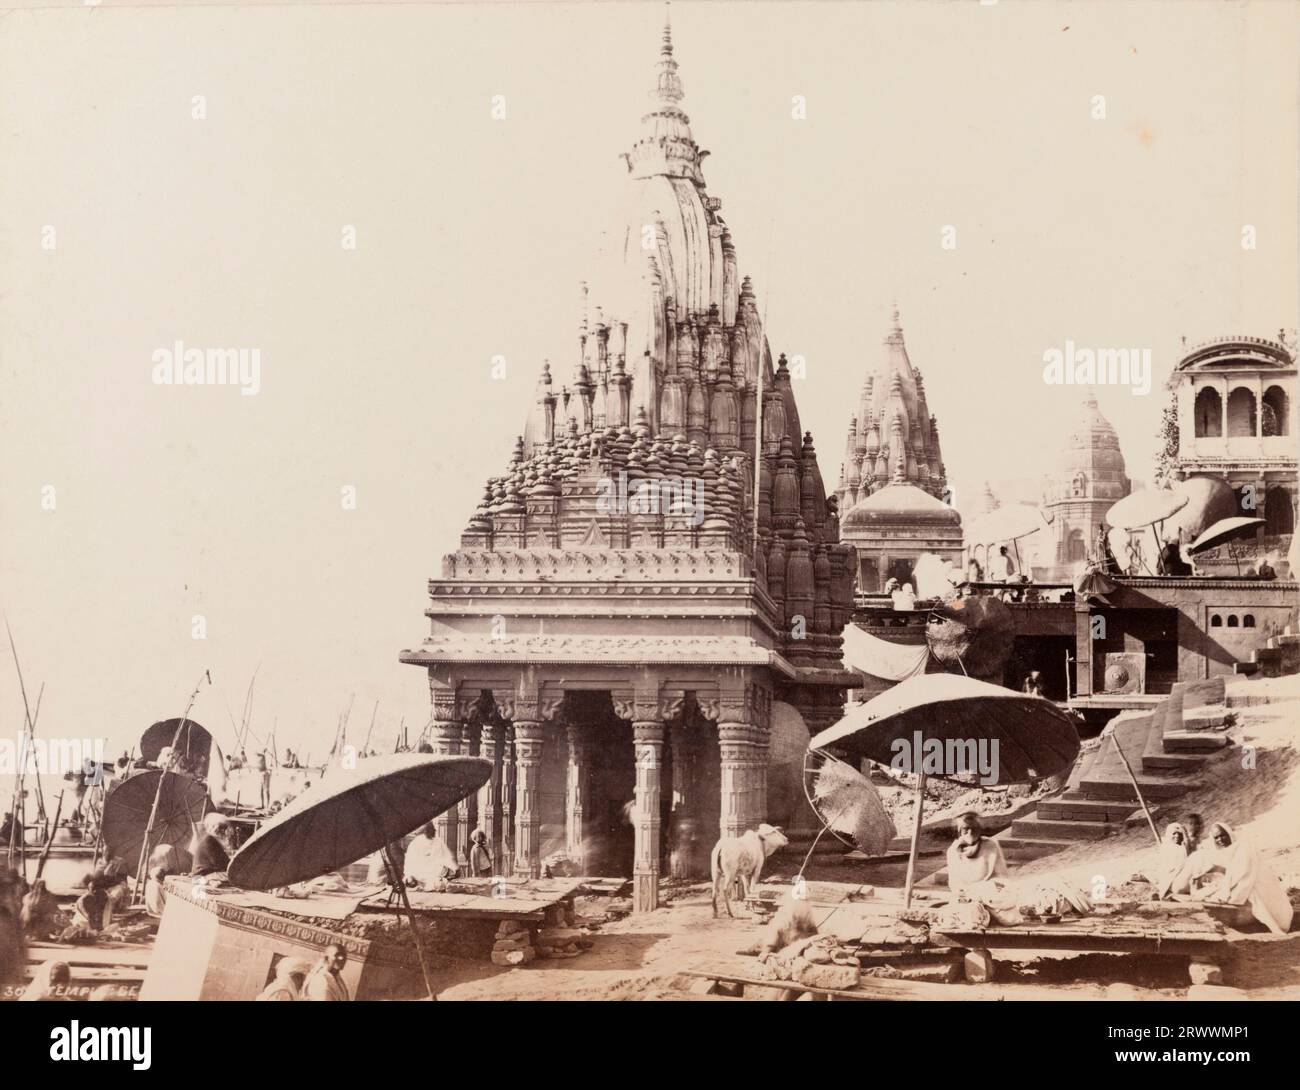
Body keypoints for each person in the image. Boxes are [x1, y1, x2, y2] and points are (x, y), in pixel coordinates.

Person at [1188, 822, 1293, 935]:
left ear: (1230, 834)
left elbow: (1242, 872)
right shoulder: (1224, 852)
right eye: (1216, 837)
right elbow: (1229, 872)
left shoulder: (1244, 846)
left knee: (1249, 895)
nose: (1220, 840)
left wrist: (1222, 880)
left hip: (1256, 881)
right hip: (1241, 880)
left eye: (1223, 835)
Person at [946, 812, 1008, 894]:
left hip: (989, 892)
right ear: (960, 831)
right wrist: (962, 892)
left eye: (974, 828)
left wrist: (989, 889)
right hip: (966, 895)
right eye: (966, 828)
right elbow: (954, 882)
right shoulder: (953, 851)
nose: (970, 832)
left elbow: (1002, 876)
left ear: (979, 830)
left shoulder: (990, 846)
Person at [403, 822, 459, 888]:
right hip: (420, 869)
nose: (433, 831)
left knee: (447, 873)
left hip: (436, 868)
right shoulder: (416, 842)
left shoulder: (438, 841)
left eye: (433, 830)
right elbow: (410, 860)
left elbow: (447, 856)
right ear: (425, 831)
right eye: (430, 830)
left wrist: (455, 868)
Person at [1154, 821, 1192, 897]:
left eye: (1179, 834)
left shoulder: (1182, 847)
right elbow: (1165, 869)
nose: (1177, 836)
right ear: (1168, 835)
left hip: (1181, 878)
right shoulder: (1166, 848)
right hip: (1173, 880)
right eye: (1174, 833)